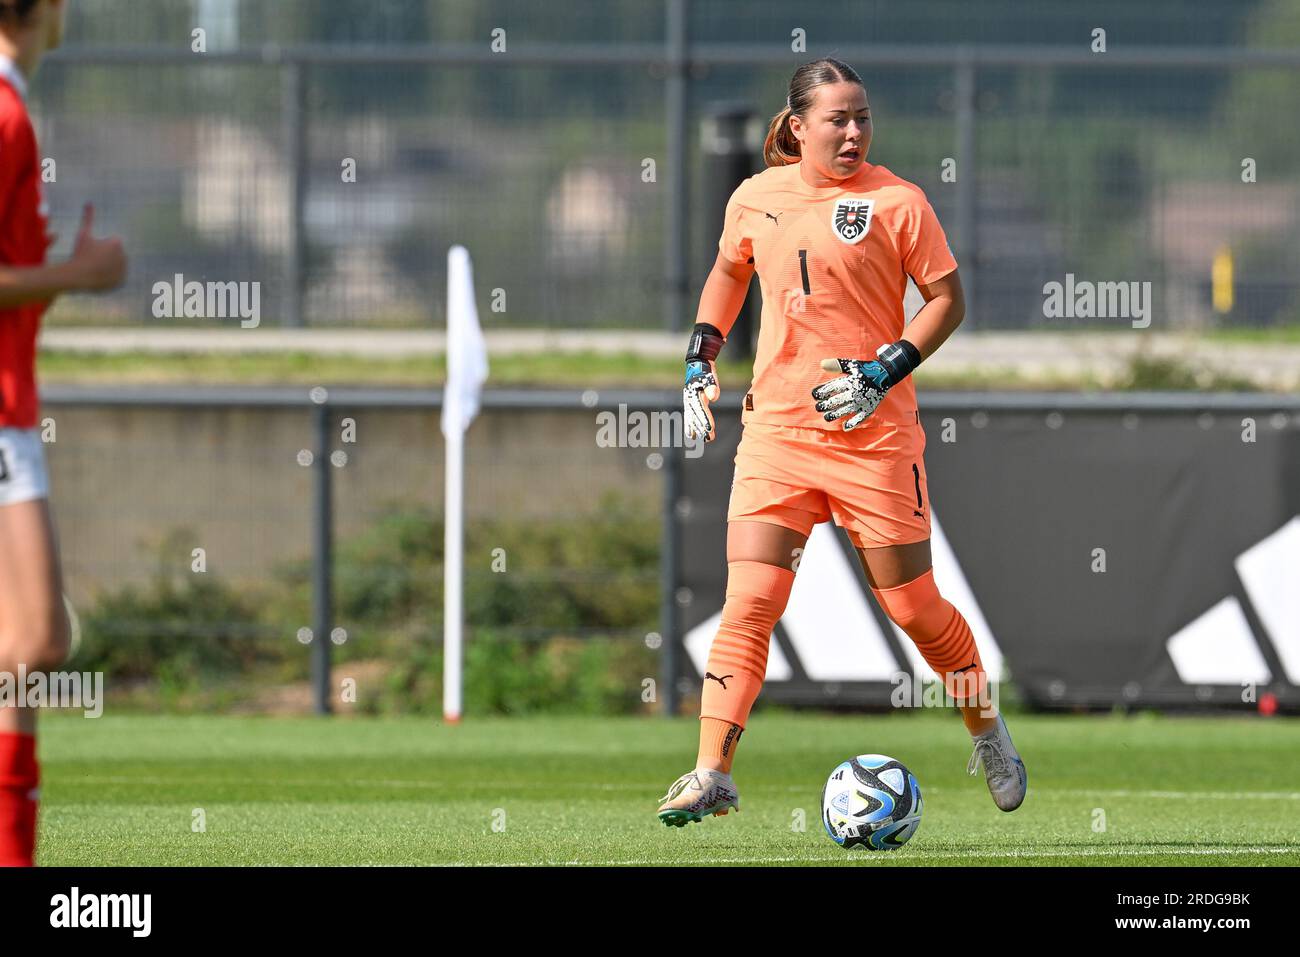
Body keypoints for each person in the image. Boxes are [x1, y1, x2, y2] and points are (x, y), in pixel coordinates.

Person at [658, 58, 1026, 827]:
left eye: (863, 117)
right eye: (839, 119)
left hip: (872, 438)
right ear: (799, 127)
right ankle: (710, 771)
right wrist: (700, 358)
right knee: (750, 601)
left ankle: (986, 729)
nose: (855, 131)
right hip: (778, 432)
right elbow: (727, 275)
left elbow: (947, 300)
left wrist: (884, 369)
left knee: (915, 609)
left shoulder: (898, 201)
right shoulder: (755, 198)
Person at [0, 0, 127, 866]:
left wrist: (48, 277)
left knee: (18, 652)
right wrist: (75, 274)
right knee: (38, 639)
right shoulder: (4, 115)